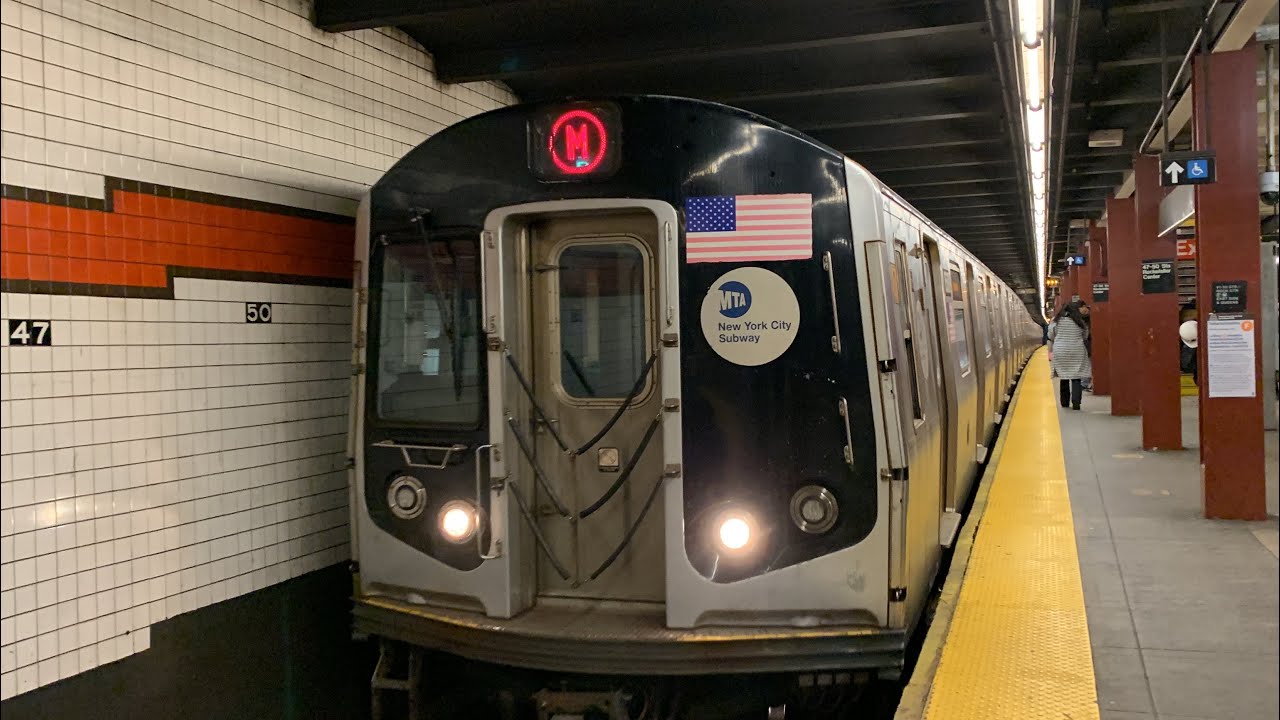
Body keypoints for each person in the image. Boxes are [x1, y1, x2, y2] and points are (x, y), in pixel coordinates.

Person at [1048, 302, 1091, 409]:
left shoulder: (1057, 321)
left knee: (1064, 377)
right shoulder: (1080, 322)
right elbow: (1085, 336)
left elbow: (1051, 335)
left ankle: (1064, 402)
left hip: (1061, 351)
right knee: (1076, 378)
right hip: (1077, 350)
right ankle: (1076, 403)